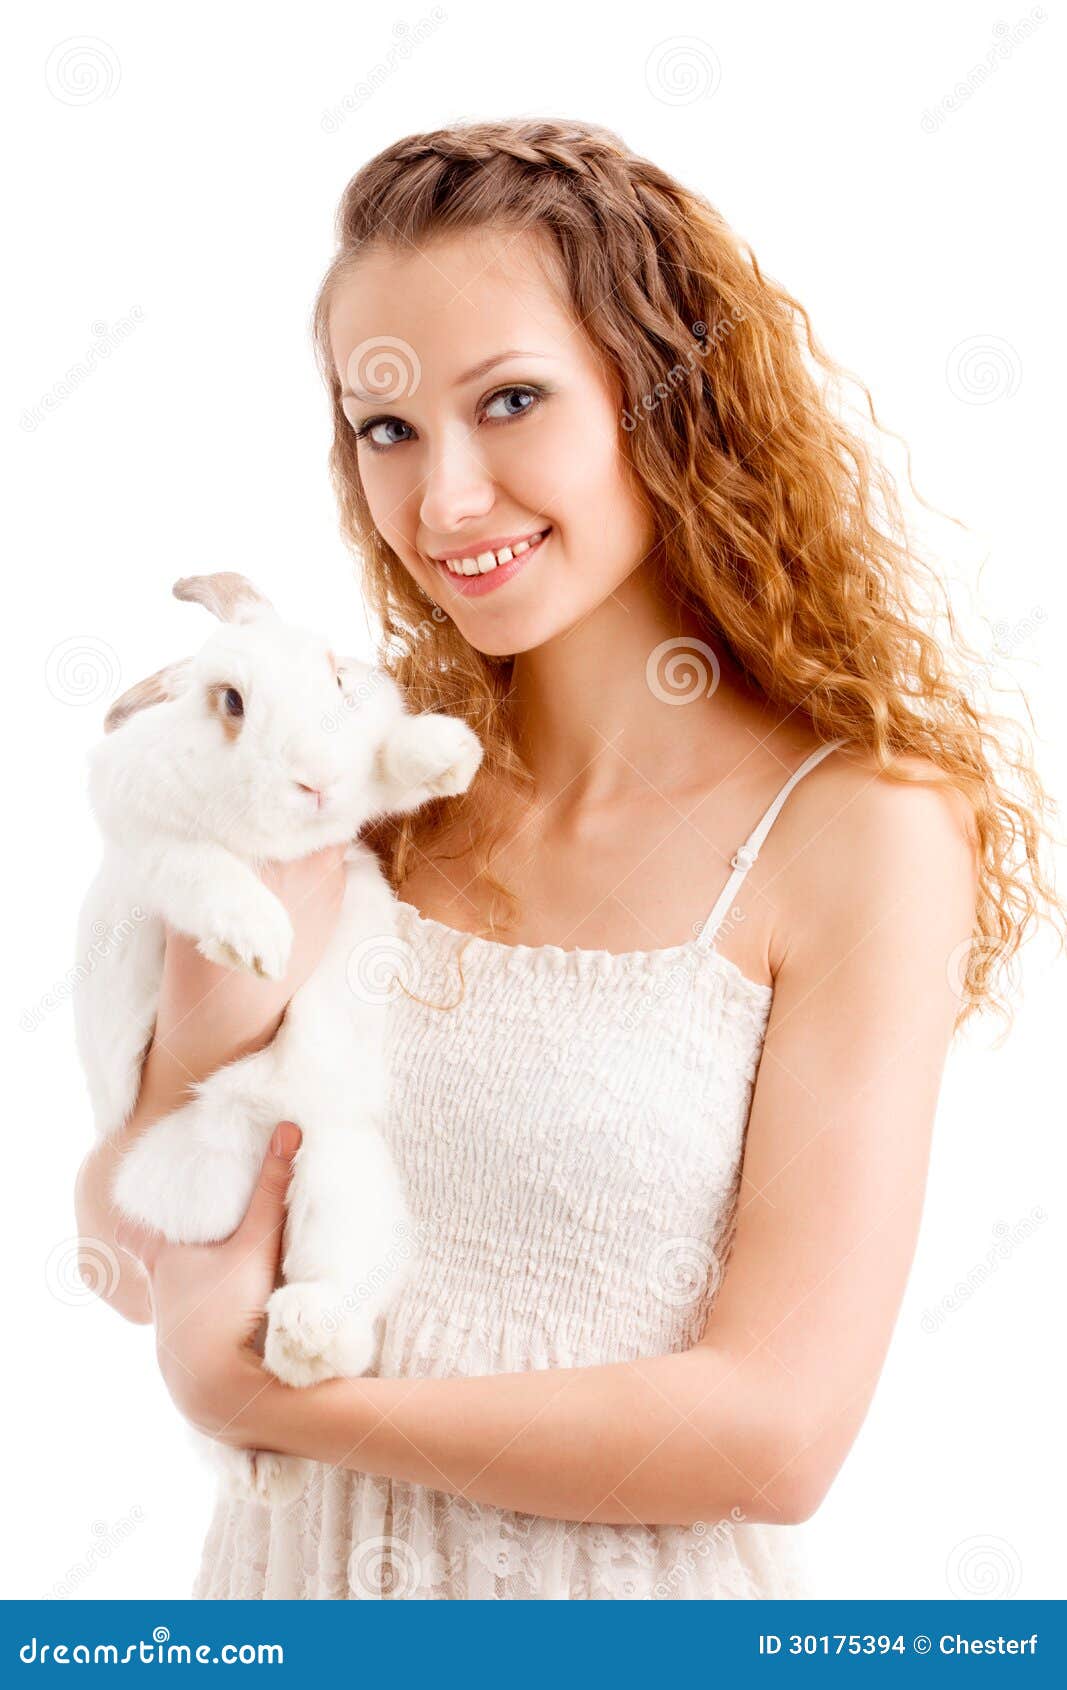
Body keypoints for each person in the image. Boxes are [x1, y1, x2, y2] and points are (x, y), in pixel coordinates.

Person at [74, 118, 1062, 1600]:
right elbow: (131, 1236)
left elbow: (777, 1429)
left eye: (513, 401)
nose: (445, 500)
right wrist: (206, 882)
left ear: (665, 401)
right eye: (386, 427)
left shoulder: (860, 833)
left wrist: (281, 1406)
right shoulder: (359, 786)